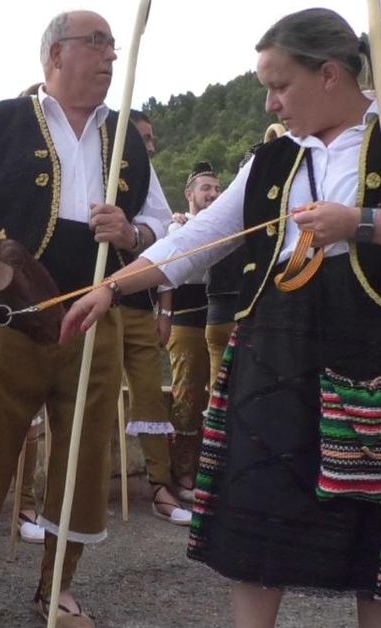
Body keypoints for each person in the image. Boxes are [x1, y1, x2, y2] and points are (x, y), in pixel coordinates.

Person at [62, 8, 381, 626]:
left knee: (380, 529)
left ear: (331, 76)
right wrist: (111, 286)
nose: (270, 103)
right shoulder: (272, 159)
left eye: (279, 85)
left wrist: (361, 223)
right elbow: (200, 237)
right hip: (276, 352)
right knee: (260, 511)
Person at [0, 10, 171, 627]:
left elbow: (161, 225)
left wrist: (131, 230)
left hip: (95, 317)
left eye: (113, 44)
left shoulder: (127, 136)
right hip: (7, 316)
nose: (110, 56)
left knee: (82, 457)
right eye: (97, 43)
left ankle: (58, 588)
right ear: (55, 55)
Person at [121, 109, 190, 525]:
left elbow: (167, 241)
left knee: (149, 396)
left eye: (151, 138)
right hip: (98, 305)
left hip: (138, 309)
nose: (151, 145)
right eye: (143, 138)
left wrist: (165, 308)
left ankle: (160, 486)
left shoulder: (147, 180)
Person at [159, 161, 226, 503]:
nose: (213, 194)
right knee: (187, 393)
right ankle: (182, 471)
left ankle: (211, 468)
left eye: (217, 189)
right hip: (186, 317)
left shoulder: (227, 225)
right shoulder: (177, 228)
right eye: (206, 189)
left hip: (220, 314)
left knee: (219, 395)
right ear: (190, 194)